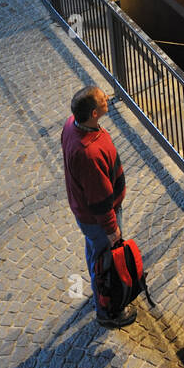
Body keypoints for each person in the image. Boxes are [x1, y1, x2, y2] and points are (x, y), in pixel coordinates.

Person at [61, 85, 131, 328]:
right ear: (93, 113)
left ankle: (96, 286)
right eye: (103, 99)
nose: (107, 99)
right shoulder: (89, 153)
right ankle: (108, 310)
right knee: (106, 261)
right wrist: (112, 230)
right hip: (98, 218)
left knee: (95, 252)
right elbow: (100, 200)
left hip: (85, 215)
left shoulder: (72, 124)